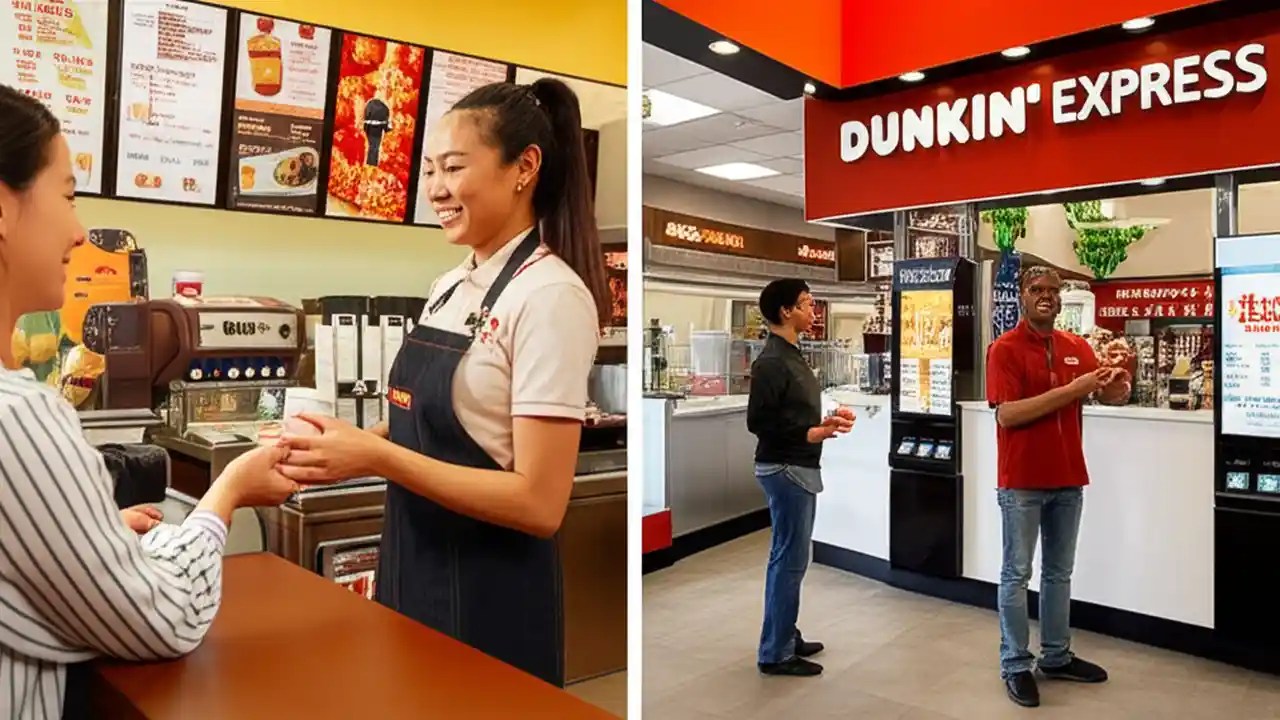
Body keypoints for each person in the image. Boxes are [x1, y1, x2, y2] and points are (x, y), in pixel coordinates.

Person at [276, 78, 606, 688]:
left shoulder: (551, 296)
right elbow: (423, 419)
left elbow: (539, 503)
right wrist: (338, 449)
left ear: (524, 167)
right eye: (429, 170)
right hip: (411, 567)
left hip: (491, 595)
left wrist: (375, 456)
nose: (435, 189)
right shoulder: (451, 284)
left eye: (453, 168)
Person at [0, 84, 299, 720]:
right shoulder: (18, 415)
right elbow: (164, 617)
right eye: (67, 196)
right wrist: (228, 494)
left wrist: (94, 537)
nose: (79, 232)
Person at [985, 266, 1118, 707]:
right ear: (1022, 296)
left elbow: (1105, 394)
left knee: (1059, 573)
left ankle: (1057, 656)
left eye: (1053, 291)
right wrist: (1073, 389)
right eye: (1036, 289)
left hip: (1067, 477)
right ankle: (1015, 663)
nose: (1046, 296)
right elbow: (1008, 414)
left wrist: (1116, 384)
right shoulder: (1003, 350)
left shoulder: (1077, 347)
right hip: (1021, 481)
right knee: (1016, 574)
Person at [746, 279, 853, 677]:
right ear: (785, 311)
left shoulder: (791, 355)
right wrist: (809, 434)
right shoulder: (772, 361)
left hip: (797, 464)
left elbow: (790, 414)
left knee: (790, 557)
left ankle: (785, 635)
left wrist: (823, 423)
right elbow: (759, 421)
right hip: (785, 467)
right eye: (806, 303)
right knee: (788, 561)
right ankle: (776, 651)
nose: (813, 310)